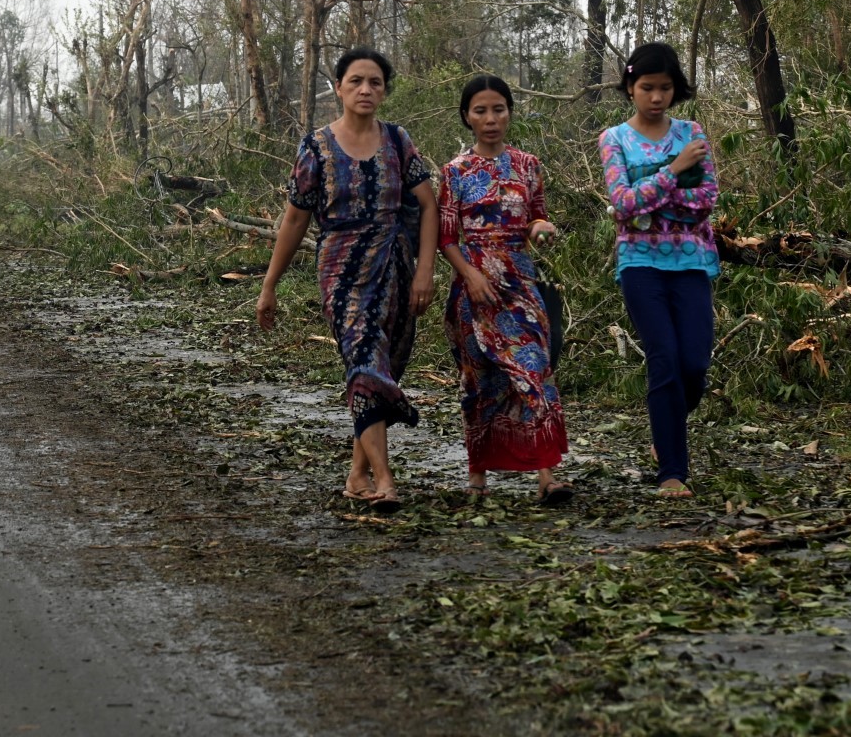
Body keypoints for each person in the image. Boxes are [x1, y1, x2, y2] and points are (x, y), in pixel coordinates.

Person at [256, 49, 437, 512]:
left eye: (375, 82)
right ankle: (384, 479)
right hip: (341, 272)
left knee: (385, 367)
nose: (365, 90)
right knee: (363, 361)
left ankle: (357, 474)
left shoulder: (398, 141)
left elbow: (429, 206)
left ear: (384, 90)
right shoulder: (315, 147)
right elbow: (296, 218)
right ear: (338, 87)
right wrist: (269, 285)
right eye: (356, 81)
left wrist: (423, 272)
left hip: (395, 269)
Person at [438, 74, 573, 506]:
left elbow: (535, 217)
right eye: (480, 110)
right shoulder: (454, 172)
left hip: (520, 282)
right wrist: (471, 277)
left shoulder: (529, 165)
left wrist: (542, 227)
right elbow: (446, 238)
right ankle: (477, 476)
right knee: (478, 378)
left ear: (509, 112)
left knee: (534, 370)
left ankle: (546, 477)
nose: (490, 118)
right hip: (473, 286)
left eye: (498, 109)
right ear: (466, 117)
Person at [598, 42, 720, 499]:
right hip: (640, 263)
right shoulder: (615, 139)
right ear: (630, 87)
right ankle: (672, 472)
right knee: (664, 360)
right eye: (646, 87)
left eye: (665, 88)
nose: (656, 97)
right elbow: (622, 204)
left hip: (692, 262)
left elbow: (705, 200)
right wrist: (674, 171)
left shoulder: (692, 131)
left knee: (694, 364)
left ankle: (665, 426)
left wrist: (650, 192)